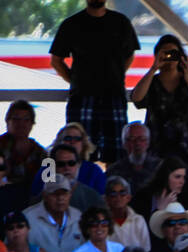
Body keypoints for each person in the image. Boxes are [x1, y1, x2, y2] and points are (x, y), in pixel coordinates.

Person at [48, 0, 138, 164]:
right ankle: (80, 189)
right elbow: (56, 60)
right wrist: (75, 81)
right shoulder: (72, 24)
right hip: (82, 98)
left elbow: (130, 55)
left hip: (113, 96)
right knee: (79, 154)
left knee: (116, 155)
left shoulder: (121, 22)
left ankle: (112, 189)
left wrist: (116, 76)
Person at [129, 35, 188, 166]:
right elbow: (137, 98)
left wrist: (187, 78)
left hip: (187, 146)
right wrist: (154, 68)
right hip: (157, 146)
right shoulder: (152, 82)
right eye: (165, 53)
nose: (169, 57)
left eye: (174, 53)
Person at [22, 176, 83, 252]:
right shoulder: (27, 217)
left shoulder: (78, 216)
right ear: (45, 196)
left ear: (70, 195)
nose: (60, 198)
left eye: (64, 193)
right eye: (55, 194)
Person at [35, 142, 104, 212]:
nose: (66, 168)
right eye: (61, 164)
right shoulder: (40, 200)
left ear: (79, 165)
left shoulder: (93, 197)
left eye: (71, 163)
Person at [0, 102, 47, 199]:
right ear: (7, 121)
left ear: (32, 124)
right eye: (16, 119)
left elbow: (47, 183)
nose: (21, 124)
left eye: (26, 120)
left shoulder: (39, 152)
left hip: (31, 202)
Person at [106, 122, 161, 196]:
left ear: (148, 142)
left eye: (141, 139)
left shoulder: (161, 167)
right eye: (132, 139)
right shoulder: (113, 170)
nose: (137, 143)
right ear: (124, 143)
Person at [131, 154, 188, 221]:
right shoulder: (143, 197)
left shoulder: (183, 198)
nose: (182, 181)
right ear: (165, 177)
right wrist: (160, 209)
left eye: (183, 177)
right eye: (177, 177)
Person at [53, 122, 108, 193]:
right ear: (59, 142)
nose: (72, 142)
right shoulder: (46, 170)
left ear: (83, 144)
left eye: (77, 138)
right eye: (68, 138)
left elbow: (102, 199)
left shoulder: (94, 171)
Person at [103, 176, 150, 251]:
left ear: (129, 197)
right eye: (113, 194)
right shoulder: (102, 223)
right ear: (106, 199)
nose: (118, 197)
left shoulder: (138, 220)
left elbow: (146, 250)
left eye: (122, 193)